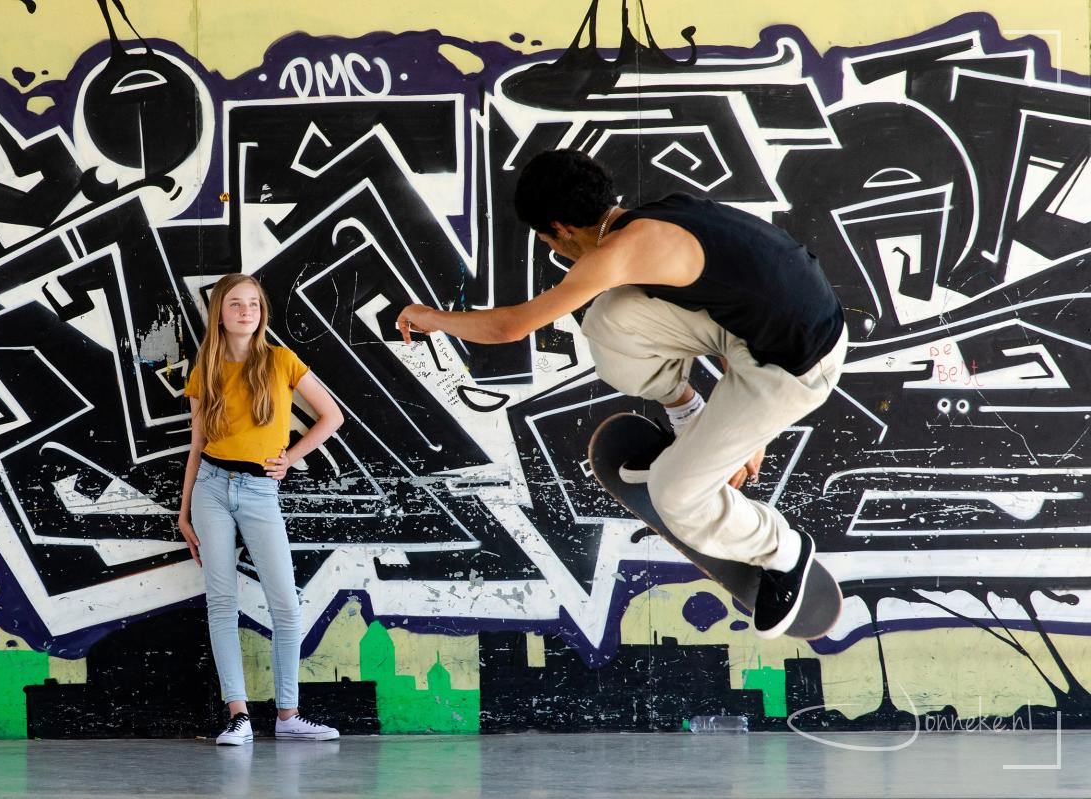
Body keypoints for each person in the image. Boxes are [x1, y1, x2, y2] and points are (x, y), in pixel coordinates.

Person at [396, 149, 847, 639]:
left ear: (561, 228)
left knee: (675, 496)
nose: (555, 249)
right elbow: (746, 294)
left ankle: (783, 549)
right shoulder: (655, 218)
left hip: (795, 368)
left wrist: (429, 317)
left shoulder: (620, 252)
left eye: (548, 239)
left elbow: (510, 328)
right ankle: (688, 413)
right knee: (612, 320)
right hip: (760, 337)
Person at [178, 273, 345, 745]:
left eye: (253, 303)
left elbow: (332, 416)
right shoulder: (205, 368)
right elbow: (196, 444)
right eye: (235, 303)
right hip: (210, 485)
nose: (246, 311)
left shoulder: (281, 361)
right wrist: (184, 509)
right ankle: (238, 716)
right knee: (222, 603)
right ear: (220, 314)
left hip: (259, 492)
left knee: (286, 607)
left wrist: (290, 459)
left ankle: (288, 716)